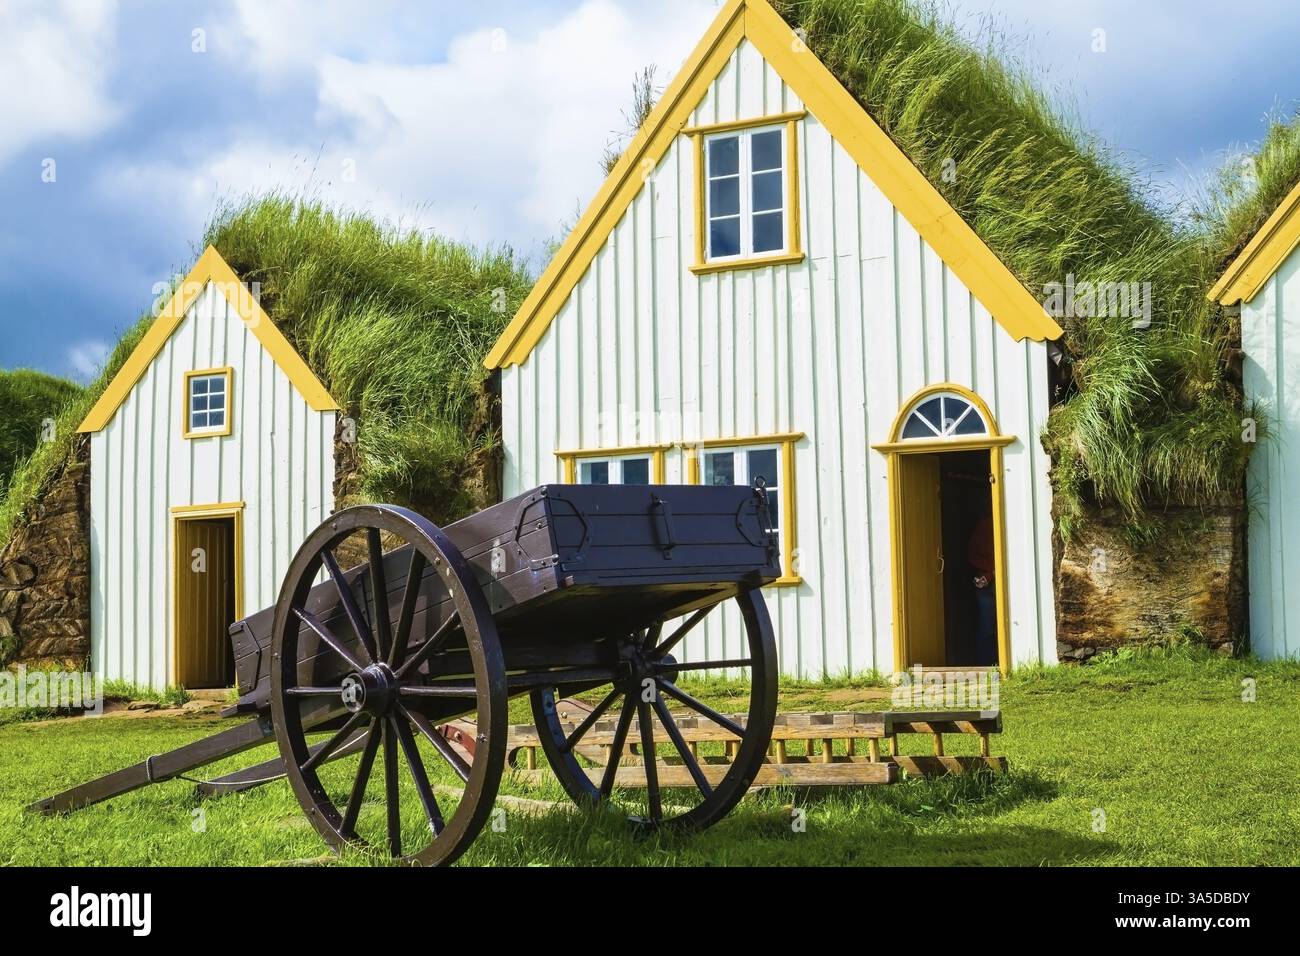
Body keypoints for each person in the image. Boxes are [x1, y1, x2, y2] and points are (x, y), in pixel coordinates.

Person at [967, 515, 997, 664]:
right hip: (986, 583)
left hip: (991, 579)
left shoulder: (983, 524)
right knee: (987, 625)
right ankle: (986, 663)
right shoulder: (984, 525)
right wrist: (992, 570)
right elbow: (972, 556)